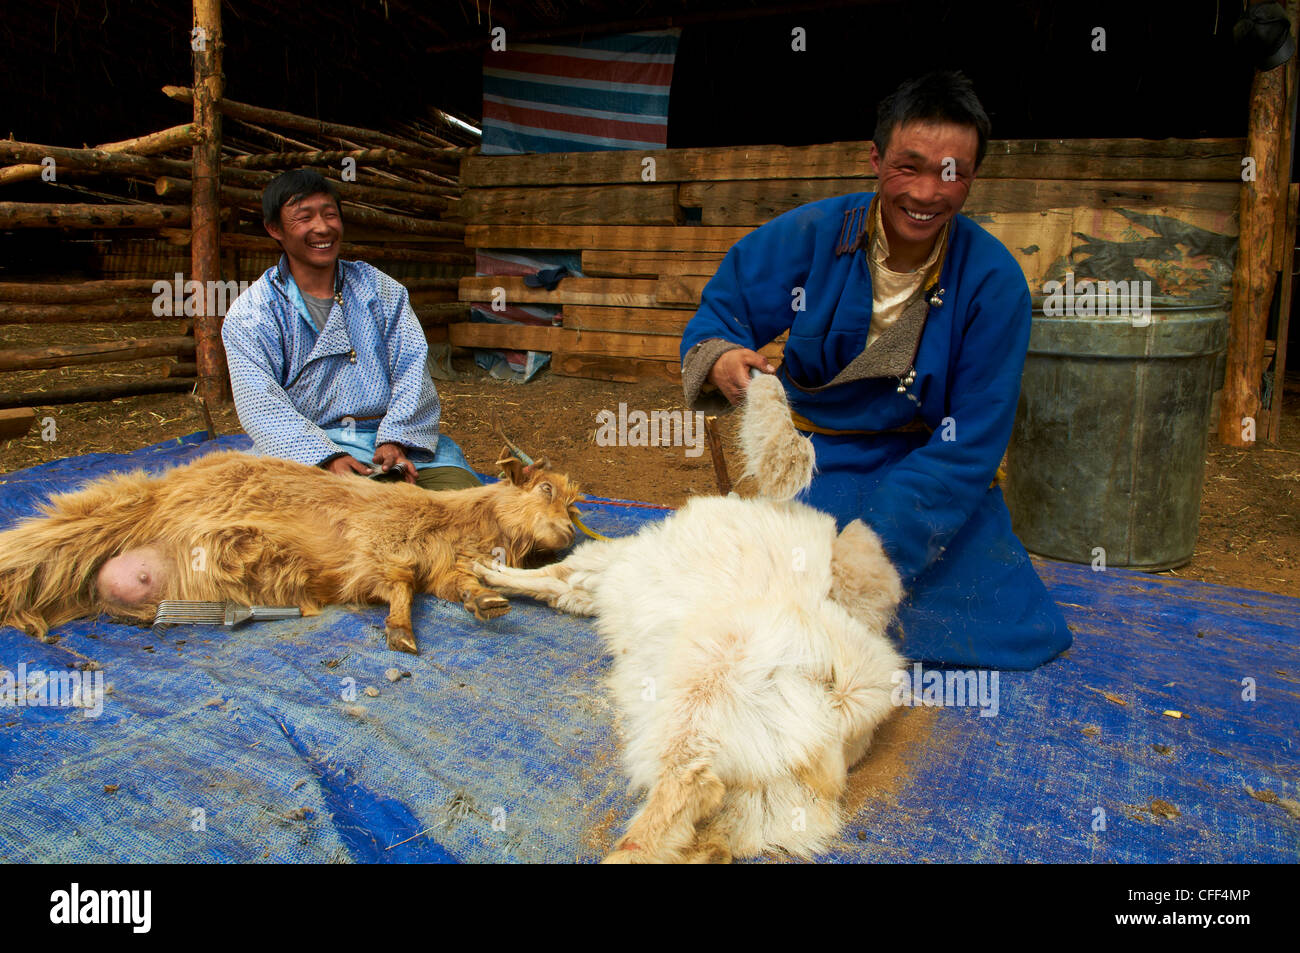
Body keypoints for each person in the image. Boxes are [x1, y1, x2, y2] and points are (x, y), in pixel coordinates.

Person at [679, 71, 1070, 670]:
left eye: (951, 174)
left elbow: (971, 441)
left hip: (927, 474)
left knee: (996, 615)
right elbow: (723, 312)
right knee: (760, 592)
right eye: (907, 166)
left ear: (971, 178)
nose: (927, 193)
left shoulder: (994, 283)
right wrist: (724, 358)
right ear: (875, 157)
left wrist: (878, 544)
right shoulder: (814, 233)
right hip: (816, 460)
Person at [221, 168, 479, 490]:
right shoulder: (253, 313)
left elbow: (412, 372)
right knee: (313, 527)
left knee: (468, 510)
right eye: (305, 218)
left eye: (330, 215)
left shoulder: (381, 291)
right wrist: (326, 458)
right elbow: (260, 405)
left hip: (390, 444)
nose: (322, 227)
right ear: (275, 228)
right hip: (303, 453)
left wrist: (395, 441)